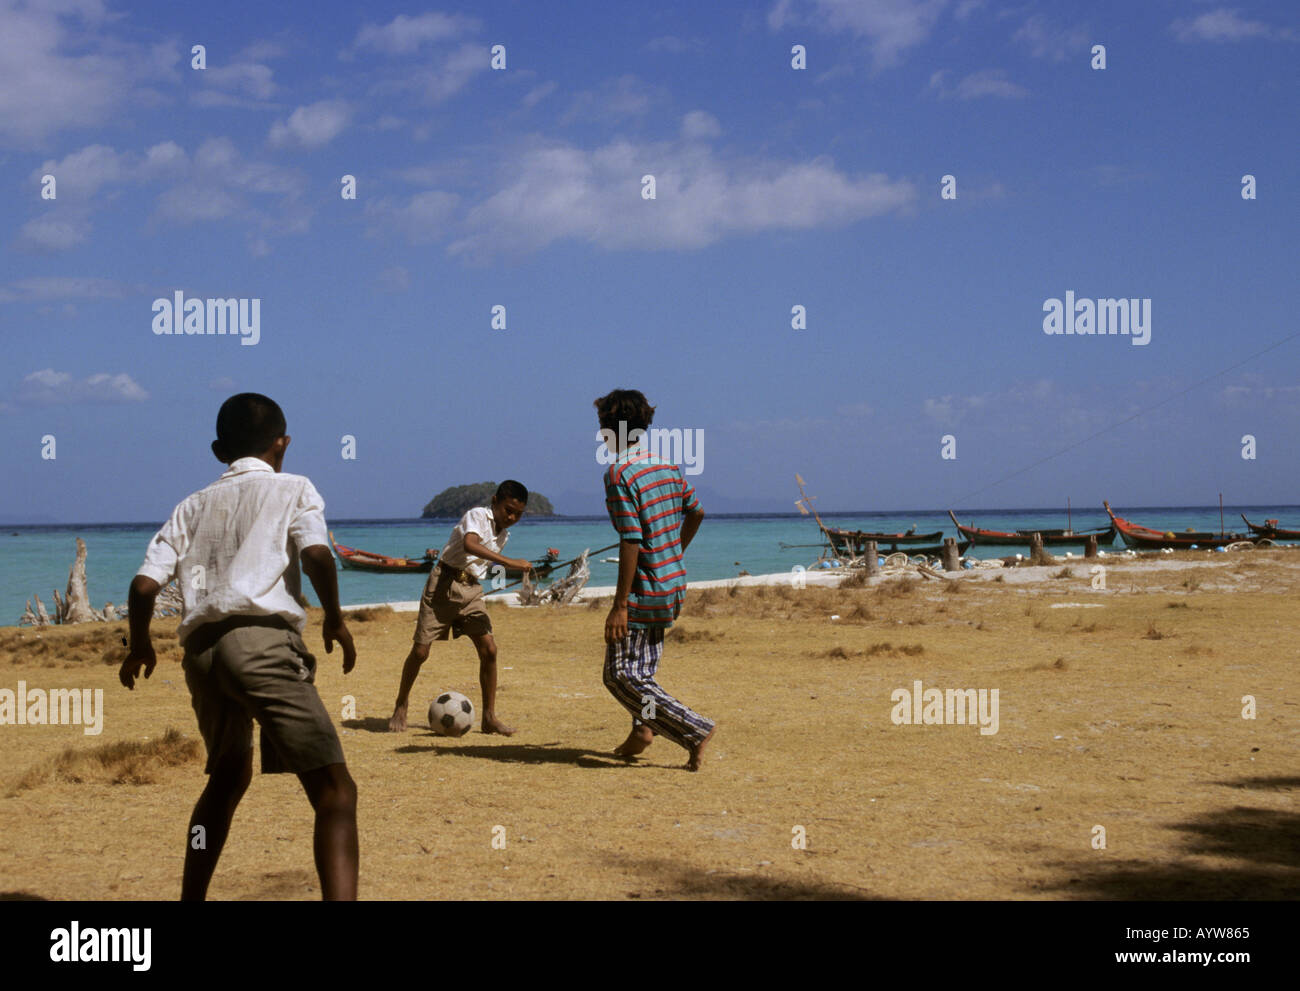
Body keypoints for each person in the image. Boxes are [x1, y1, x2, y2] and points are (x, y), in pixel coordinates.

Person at [118, 393, 359, 900]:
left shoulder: (191, 505)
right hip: (262, 647)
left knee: (226, 780)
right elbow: (316, 553)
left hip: (203, 656)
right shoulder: (294, 488)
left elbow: (143, 588)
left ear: (217, 450)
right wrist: (334, 619)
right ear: (283, 444)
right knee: (336, 792)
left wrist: (140, 646)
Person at [595, 389, 715, 770]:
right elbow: (696, 512)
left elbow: (630, 539)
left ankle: (694, 729)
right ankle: (643, 728)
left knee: (618, 676)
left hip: (644, 591)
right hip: (672, 584)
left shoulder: (619, 474)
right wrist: (673, 553)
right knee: (642, 671)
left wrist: (618, 607)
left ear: (609, 428)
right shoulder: (666, 467)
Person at [387, 481, 534, 735]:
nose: (511, 517)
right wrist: (511, 562)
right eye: (508, 510)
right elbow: (470, 545)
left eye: (518, 514)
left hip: (471, 589)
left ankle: (489, 718)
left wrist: (522, 568)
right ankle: (401, 703)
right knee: (421, 652)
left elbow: (481, 563)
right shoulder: (477, 515)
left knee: (489, 649)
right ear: (495, 500)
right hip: (443, 583)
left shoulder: (504, 534)